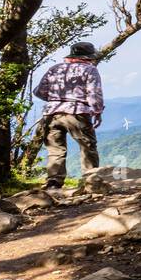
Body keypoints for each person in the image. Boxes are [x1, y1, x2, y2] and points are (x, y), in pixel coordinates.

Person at [33, 41, 104, 188]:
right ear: (89, 56)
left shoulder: (55, 69)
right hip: (78, 113)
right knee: (87, 146)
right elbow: (94, 94)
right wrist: (97, 112)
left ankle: (53, 182)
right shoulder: (90, 70)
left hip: (52, 113)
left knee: (55, 149)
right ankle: (90, 181)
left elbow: (39, 91)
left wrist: (56, 99)